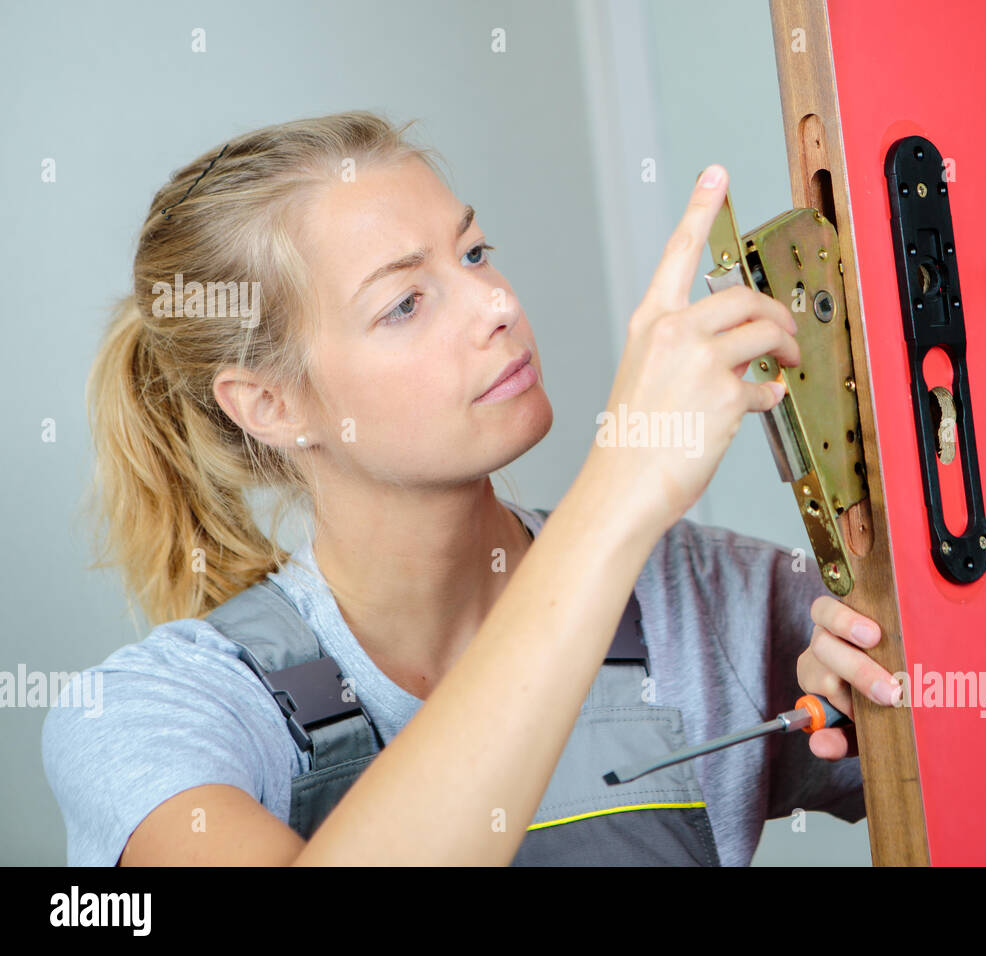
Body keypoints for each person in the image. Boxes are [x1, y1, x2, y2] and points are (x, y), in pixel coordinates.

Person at [42, 111, 903, 866]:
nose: (495, 302)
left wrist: (892, 718)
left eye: (476, 252)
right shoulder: (156, 716)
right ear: (271, 404)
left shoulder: (712, 601)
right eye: (405, 303)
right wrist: (617, 492)